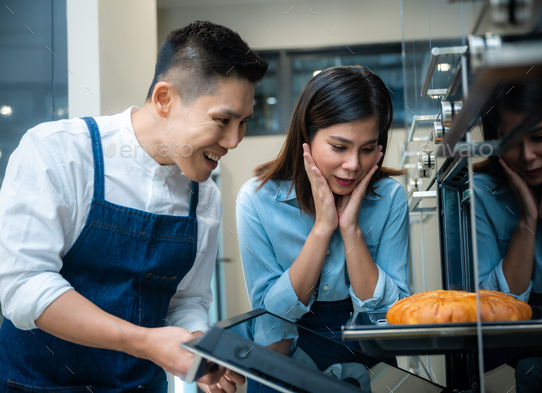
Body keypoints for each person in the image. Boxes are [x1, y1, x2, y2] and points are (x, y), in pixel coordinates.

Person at [0, 21, 267, 393]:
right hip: (37, 384)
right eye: (222, 120)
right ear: (164, 99)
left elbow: (187, 299)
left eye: (243, 123)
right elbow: (25, 287)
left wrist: (201, 353)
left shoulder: (203, 195)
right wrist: (144, 342)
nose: (235, 140)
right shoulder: (58, 152)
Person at [235, 66, 411, 392]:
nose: (354, 165)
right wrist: (322, 228)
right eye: (340, 147)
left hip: (368, 359)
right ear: (307, 137)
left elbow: (391, 317)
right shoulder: (257, 199)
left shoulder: (390, 198)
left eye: (368, 148)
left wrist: (350, 230)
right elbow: (272, 318)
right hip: (283, 353)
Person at [473, 76, 542, 392]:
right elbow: (496, 310)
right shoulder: (482, 192)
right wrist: (527, 221)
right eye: (511, 141)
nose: (527, 155)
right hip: (519, 350)